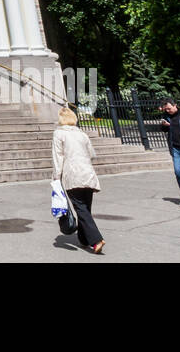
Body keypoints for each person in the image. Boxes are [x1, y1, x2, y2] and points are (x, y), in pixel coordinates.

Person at [52, 106, 104, 253]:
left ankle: (96, 239)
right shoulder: (82, 134)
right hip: (87, 173)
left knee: (81, 208)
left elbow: (58, 157)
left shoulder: (59, 133)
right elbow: (92, 154)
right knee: (85, 208)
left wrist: (56, 177)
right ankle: (84, 239)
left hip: (72, 174)